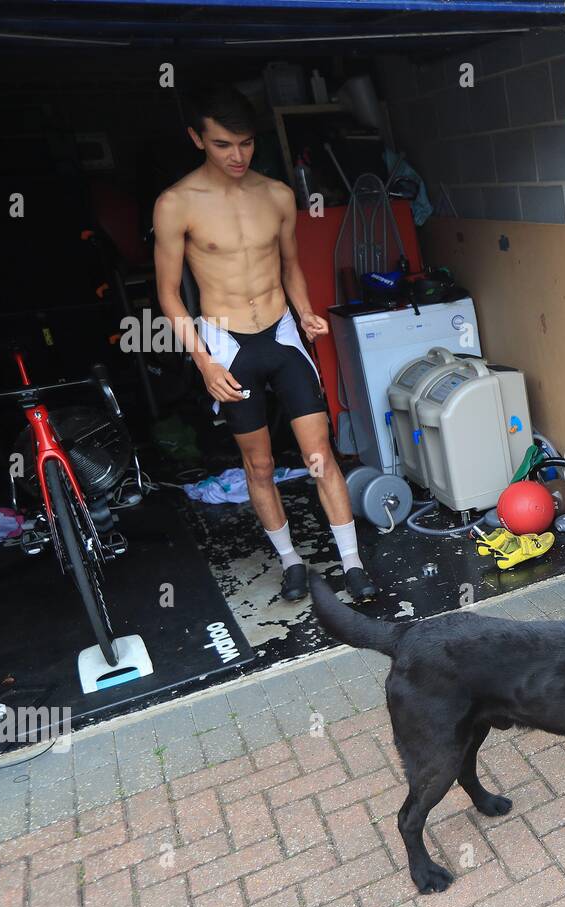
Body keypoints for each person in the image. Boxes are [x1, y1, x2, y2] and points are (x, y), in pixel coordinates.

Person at [154, 83, 378, 602]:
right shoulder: (176, 203)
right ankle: (291, 561)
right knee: (257, 466)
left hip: (281, 334)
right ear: (197, 139)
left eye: (246, 144)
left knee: (319, 454)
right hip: (226, 347)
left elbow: (292, 266)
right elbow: (168, 294)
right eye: (223, 145)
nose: (237, 156)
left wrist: (305, 314)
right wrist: (204, 363)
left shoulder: (277, 194)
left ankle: (352, 563)